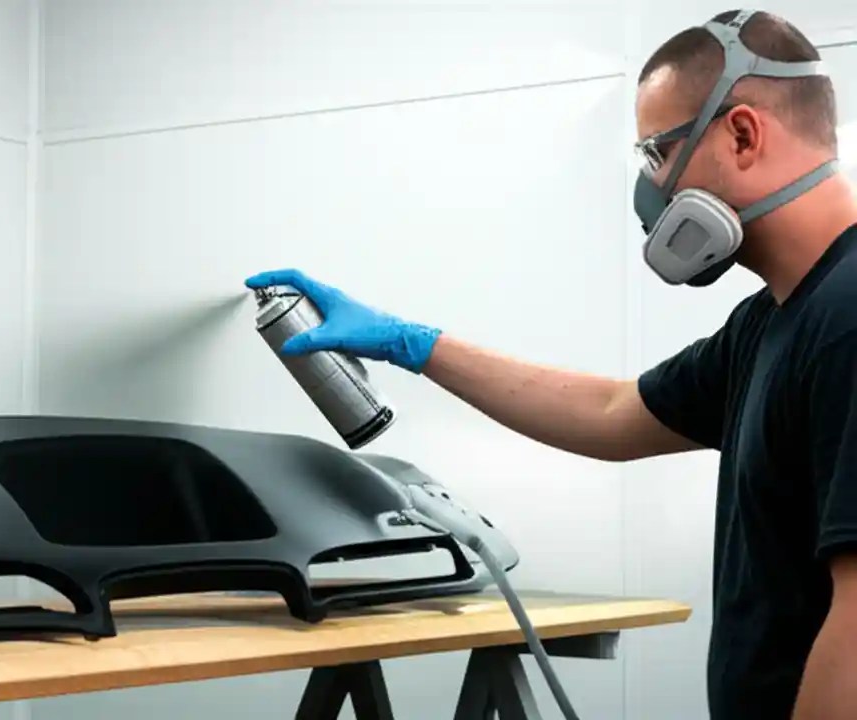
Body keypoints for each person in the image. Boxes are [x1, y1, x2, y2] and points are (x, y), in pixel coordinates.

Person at [246, 9, 857, 720]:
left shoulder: (847, 317)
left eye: (657, 154)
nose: (653, 190)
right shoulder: (773, 323)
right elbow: (613, 413)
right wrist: (410, 343)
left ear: (743, 133)